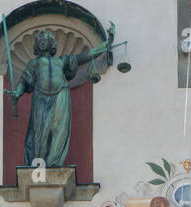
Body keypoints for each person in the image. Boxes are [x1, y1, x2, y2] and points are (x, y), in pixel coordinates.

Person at [10, 26, 117, 169]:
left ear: (52, 44)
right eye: (40, 40)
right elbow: (24, 80)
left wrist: (106, 44)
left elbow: (85, 56)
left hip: (61, 93)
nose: (43, 41)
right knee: (39, 131)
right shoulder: (34, 63)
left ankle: (54, 162)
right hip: (40, 97)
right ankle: (38, 166)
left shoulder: (61, 61)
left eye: (46, 39)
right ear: (36, 46)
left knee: (59, 129)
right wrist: (17, 92)